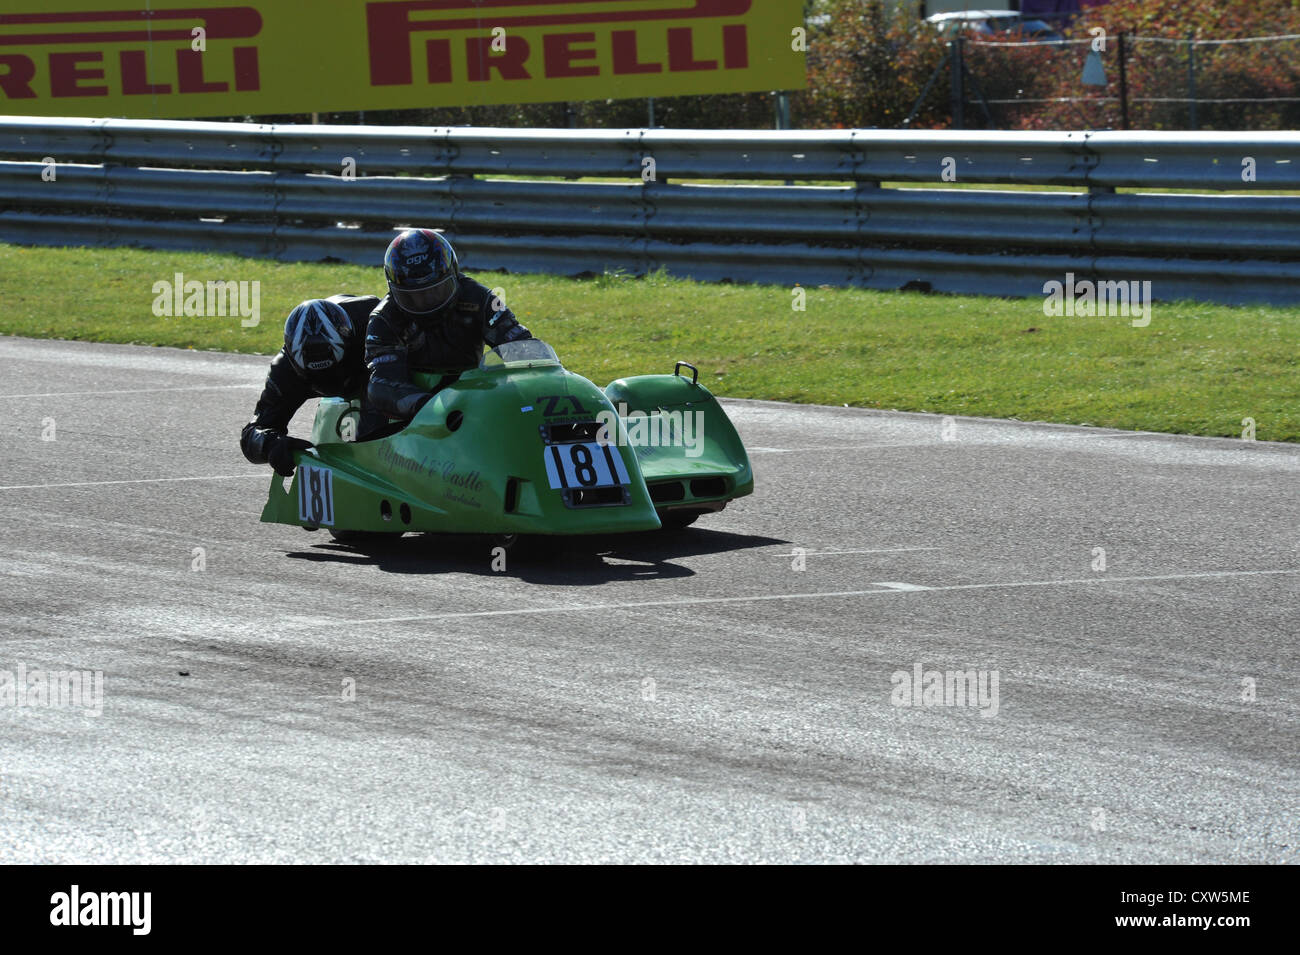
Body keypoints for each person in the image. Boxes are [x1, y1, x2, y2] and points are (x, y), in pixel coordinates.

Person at [365, 229, 531, 420]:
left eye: (435, 290)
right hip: (414, 414)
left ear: (454, 275)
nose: (426, 301)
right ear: (395, 291)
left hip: (473, 399)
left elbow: (521, 347)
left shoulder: (480, 299)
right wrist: (431, 408)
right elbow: (382, 383)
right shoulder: (384, 319)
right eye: (413, 296)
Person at [240, 294, 379, 476]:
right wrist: (272, 444)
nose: (327, 382)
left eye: (331, 371)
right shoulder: (285, 369)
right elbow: (251, 433)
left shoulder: (374, 321)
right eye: (317, 375)